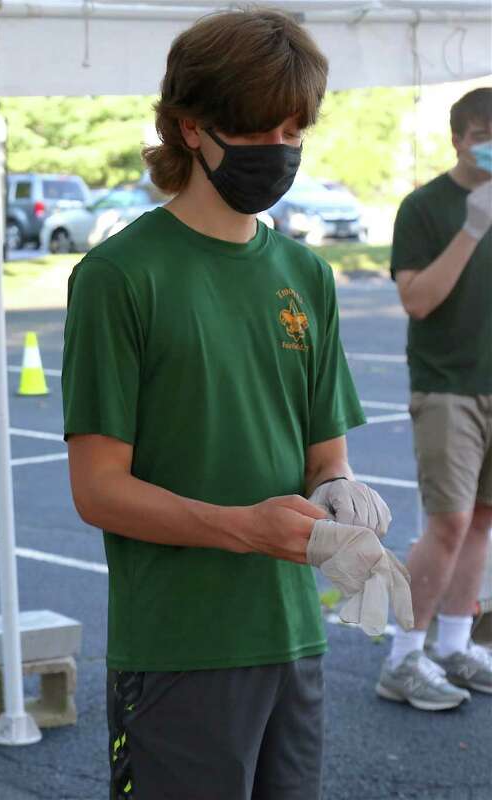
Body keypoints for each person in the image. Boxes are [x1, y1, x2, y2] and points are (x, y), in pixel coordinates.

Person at [62, 10, 385, 799]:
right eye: (255, 127)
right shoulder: (119, 276)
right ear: (190, 127)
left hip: (294, 639)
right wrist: (245, 527)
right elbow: (98, 490)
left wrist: (342, 496)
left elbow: (324, 459)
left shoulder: (306, 275)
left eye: (293, 129)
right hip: (179, 650)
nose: (278, 147)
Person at [381, 87, 492, 710]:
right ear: (457, 139)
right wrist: (473, 228)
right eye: (482, 136)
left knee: (482, 519)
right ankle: (403, 656)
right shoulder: (424, 207)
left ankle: (454, 644)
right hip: (447, 386)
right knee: (448, 520)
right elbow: (417, 300)